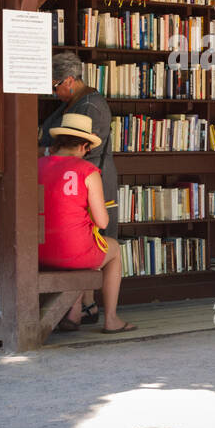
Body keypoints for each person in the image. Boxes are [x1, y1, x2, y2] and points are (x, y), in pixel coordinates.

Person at [38, 113, 134, 334]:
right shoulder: (88, 171)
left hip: (38, 251)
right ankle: (111, 319)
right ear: (83, 146)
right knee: (111, 249)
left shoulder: (37, 166)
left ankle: (73, 313)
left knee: (84, 244)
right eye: (88, 148)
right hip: (72, 252)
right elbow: (101, 221)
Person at [39, 51, 117, 324]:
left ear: (70, 80)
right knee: (85, 240)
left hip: (91, 185)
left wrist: (48, 152)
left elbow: (80, 151)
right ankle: (85, 308)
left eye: (55, 85)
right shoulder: (74, 102)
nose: (53, 92)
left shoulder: (89, 107)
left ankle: (86, 306)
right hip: (80, 183)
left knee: (91, 238)